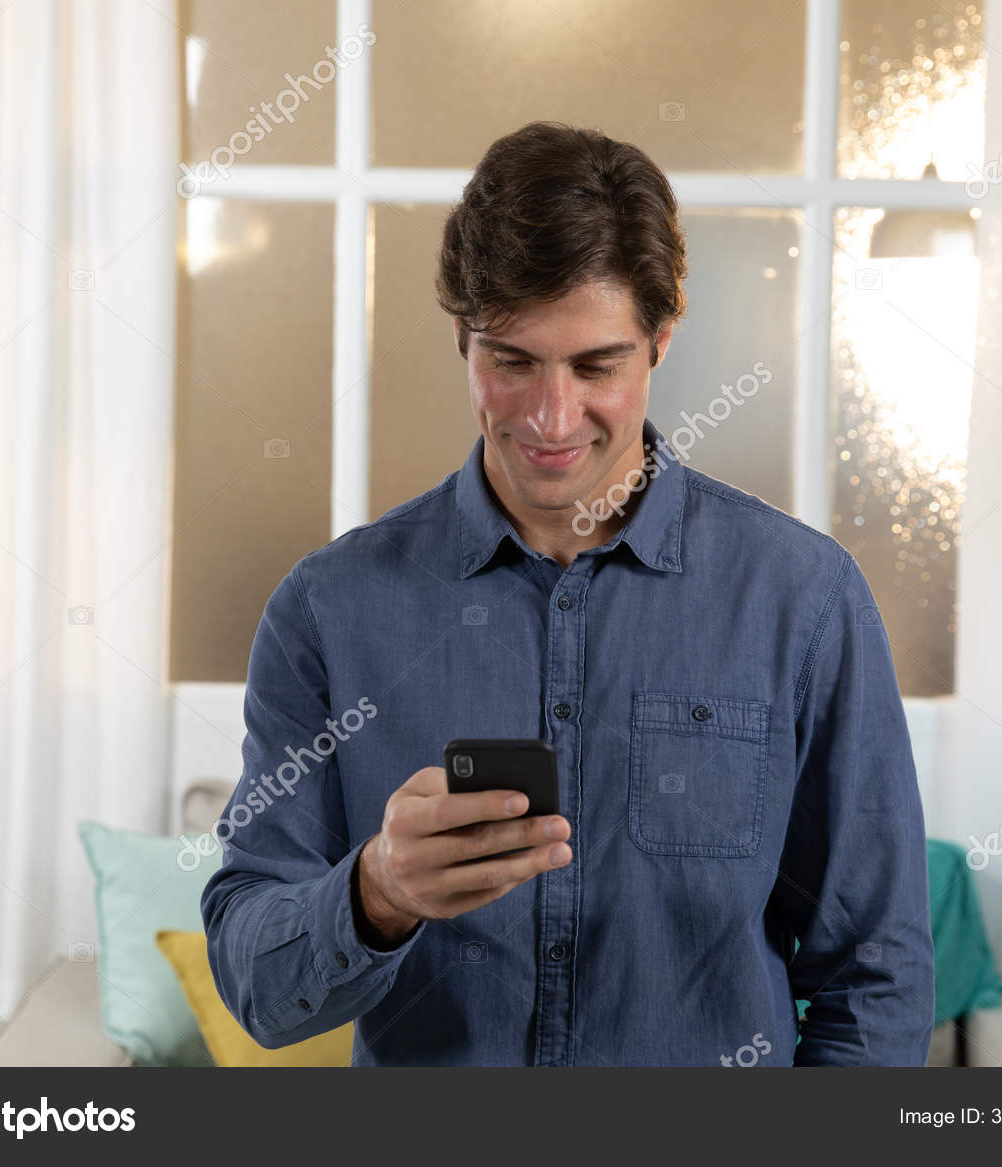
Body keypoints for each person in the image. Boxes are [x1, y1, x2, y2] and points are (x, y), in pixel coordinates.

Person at [201, 120, 933, 1066]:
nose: (552, 418)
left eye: (597, 365)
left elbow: (872, 976)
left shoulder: (803, 601)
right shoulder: (327, 611)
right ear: (463, 339)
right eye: (512, 361)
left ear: (661, 343)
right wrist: (377, 891)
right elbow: (258, 985)